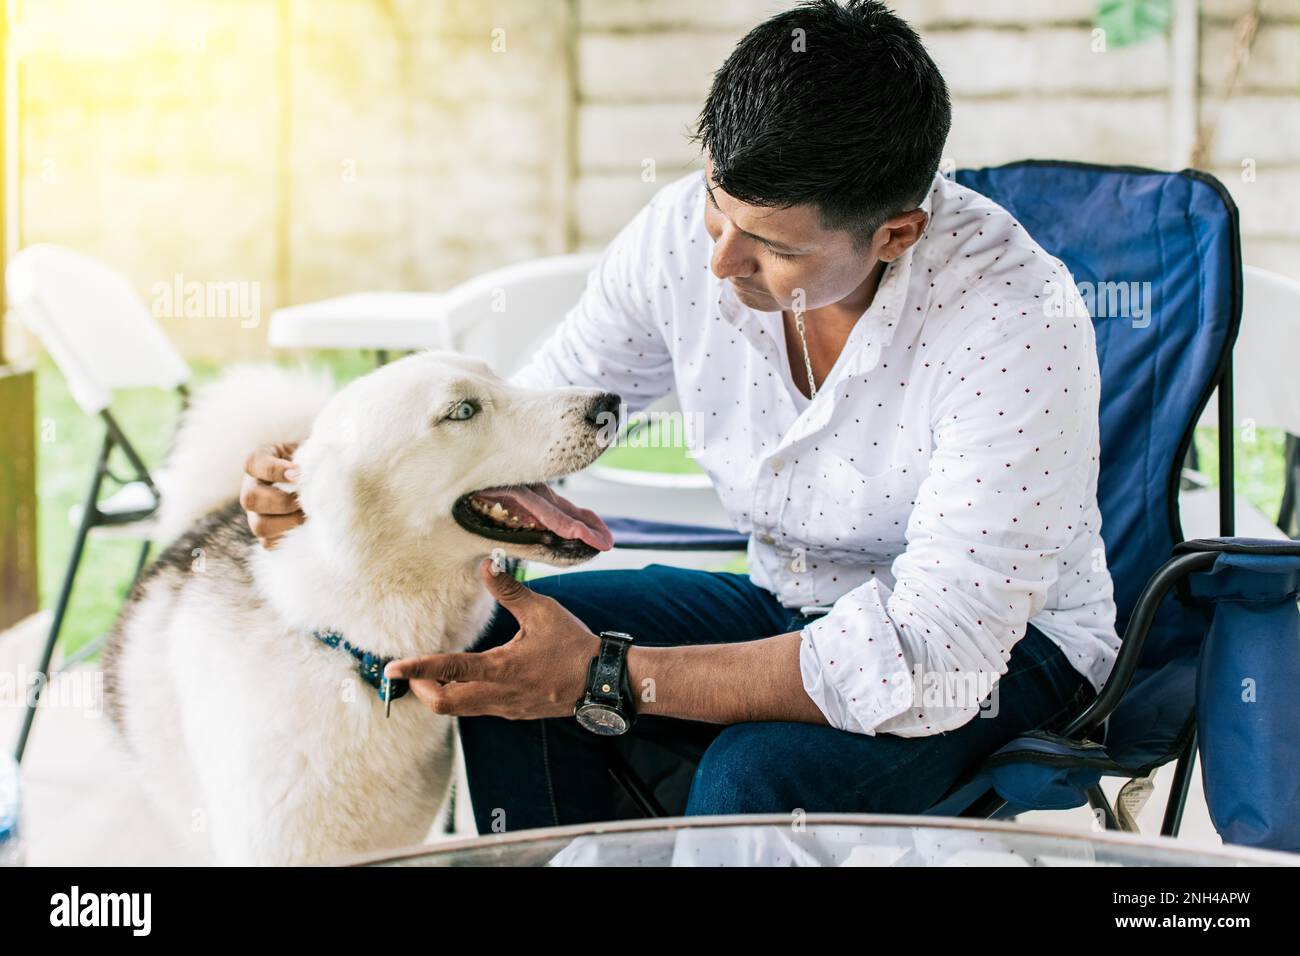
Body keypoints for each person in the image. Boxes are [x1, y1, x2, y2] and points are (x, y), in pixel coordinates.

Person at [240, 0, 1116, 831]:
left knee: (754, 773)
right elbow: (537, 427)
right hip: (792, 600)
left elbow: (937, 659)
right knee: (506, 657)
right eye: (714, 206)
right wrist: (335, 488)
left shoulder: (1016, 322)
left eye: (774, 248)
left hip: (1006, 655)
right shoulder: (683, 242)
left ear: (895, 234)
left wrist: (612, 676)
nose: (720, 261)